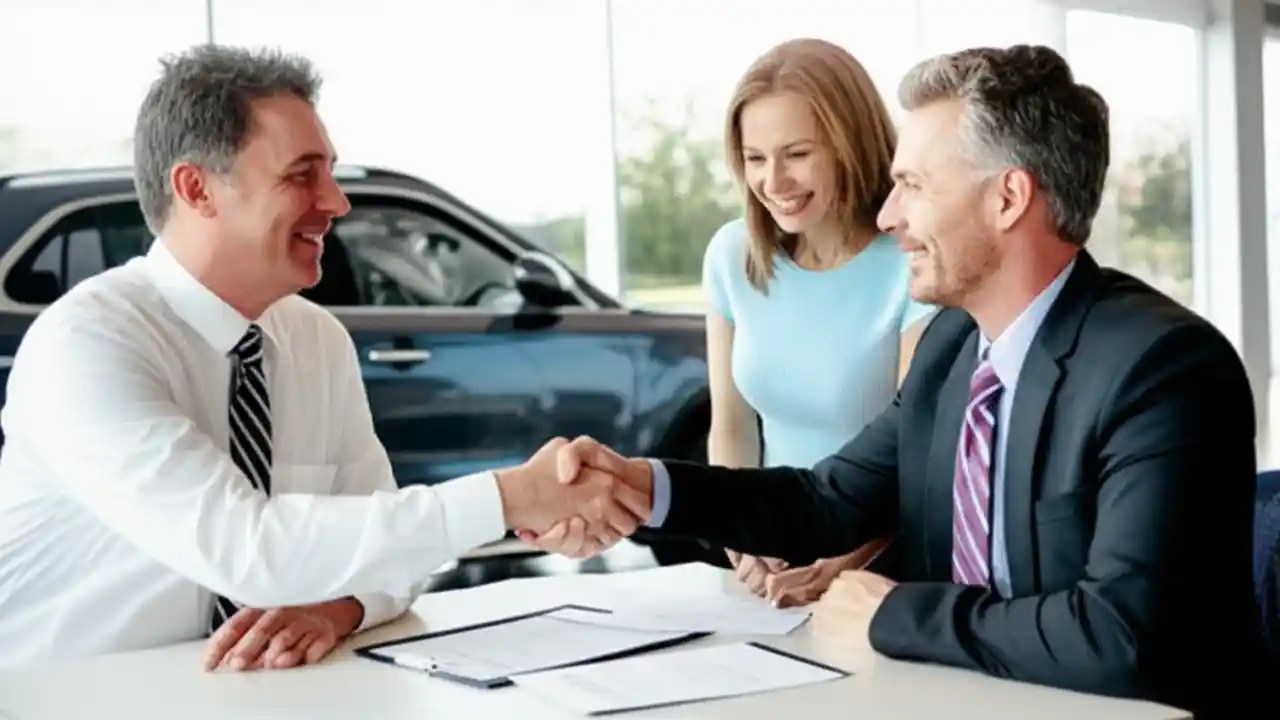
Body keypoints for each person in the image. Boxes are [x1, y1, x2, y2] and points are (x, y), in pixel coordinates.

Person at [526, 44, 1263, 715]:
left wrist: (890, 612)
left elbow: (1119, 634)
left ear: (1007, 199)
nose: (888, 216)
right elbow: (825, 501)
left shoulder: (1163, 371)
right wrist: (642, 485)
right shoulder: (953, 348)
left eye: (912, 185)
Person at [0, 45, 643, 671]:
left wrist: (337, 607)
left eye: (330, 171)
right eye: (302, 174)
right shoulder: (86, 343)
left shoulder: (315, 339)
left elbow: (396, 552)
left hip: (264, 694)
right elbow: (246, 548)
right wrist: (507, 498)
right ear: (197, 188)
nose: (337, 202)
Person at [679, 38, 932, 604]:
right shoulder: (731, 255)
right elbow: (733, 428)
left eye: (797, 154)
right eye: (755, 158)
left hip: (881, 570)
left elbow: (914, 462)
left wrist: (837, 568)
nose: (774, 182)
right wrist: (741, 537)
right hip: (774, 566)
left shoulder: (914, 264)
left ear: (851, 143)